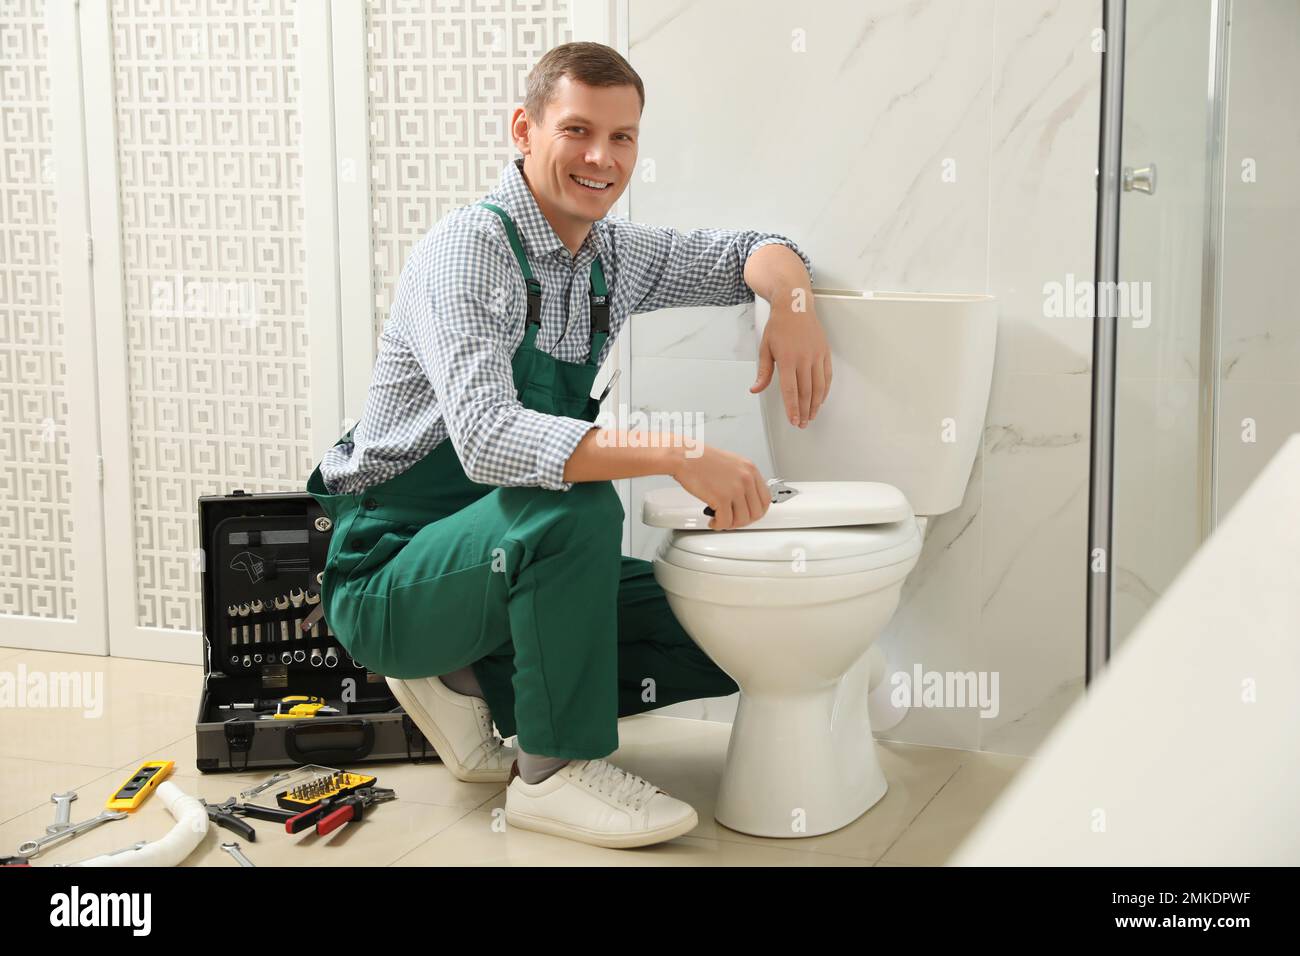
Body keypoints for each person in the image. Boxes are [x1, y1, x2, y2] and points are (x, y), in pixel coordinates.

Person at [307, 41, 832, 849]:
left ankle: (463, 679)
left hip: (497, 558)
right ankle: (549, 776)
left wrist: (792, 302)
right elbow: (486, 440)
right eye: (578, 130)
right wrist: (681, 454)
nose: (601, 157)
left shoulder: (609, 258)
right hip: (393, 574)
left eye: (622, 137)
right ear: (525, 128)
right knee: (574, 503)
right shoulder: (468, 252)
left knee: (725, 633)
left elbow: (745, 251)